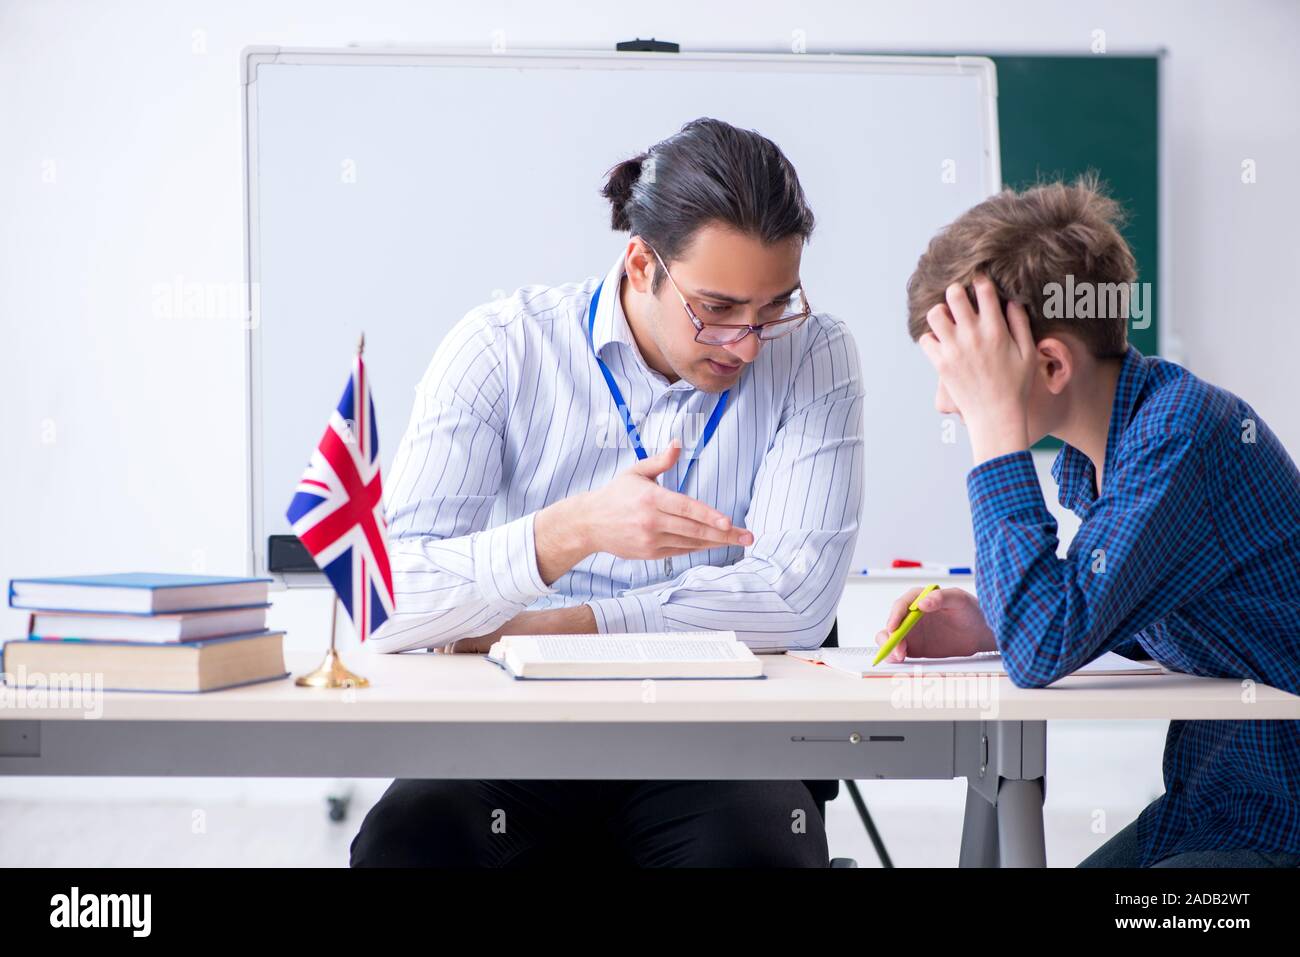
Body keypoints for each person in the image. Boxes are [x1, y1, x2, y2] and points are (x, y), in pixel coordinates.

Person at [349, 118, 864, 867]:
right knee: (410, 845)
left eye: (774, 306)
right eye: (717, 309)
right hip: (514, 734)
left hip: (714, 743)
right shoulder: (502, 346)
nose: (748, 344)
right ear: (640, 265)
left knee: (755, 855)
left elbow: (795, 600)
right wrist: (566, 532)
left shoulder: (817, 355)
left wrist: (564, 626)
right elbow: (385, 597)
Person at [877, 177, 1300, 868]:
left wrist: (996, 427)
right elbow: (1127, 612)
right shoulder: (1114, 451)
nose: (943, 404)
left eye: (960, 375)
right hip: (1211, 809)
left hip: (1277, 824)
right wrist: (991, 622)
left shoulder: (1180, 436)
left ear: (1048, 364)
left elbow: (1042, 647)